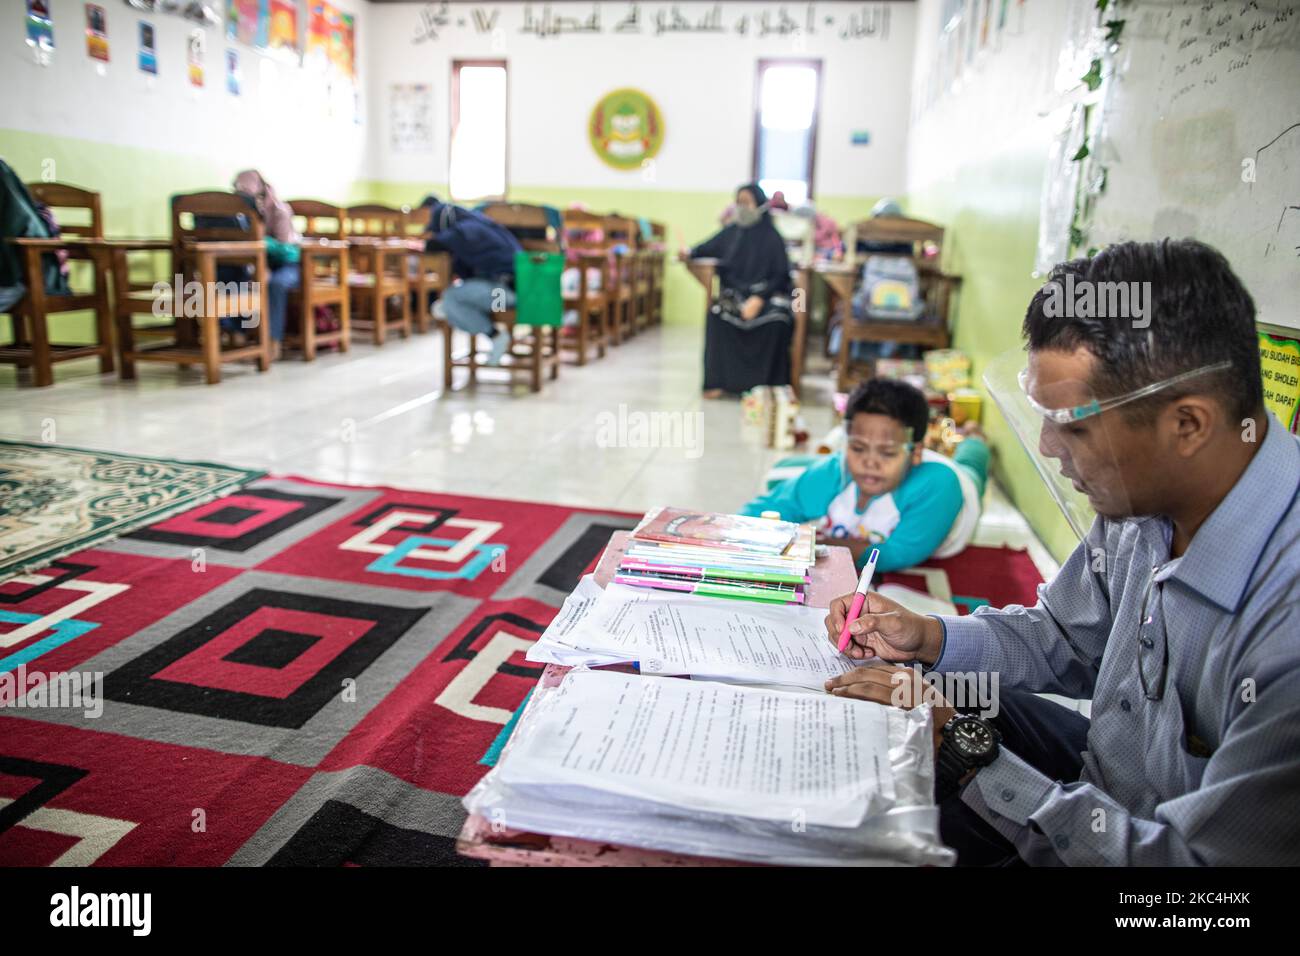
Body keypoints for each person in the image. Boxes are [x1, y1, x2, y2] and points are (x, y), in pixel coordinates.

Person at [823, 239, 1300, 865]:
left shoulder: (1283, 632)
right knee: (892, 726)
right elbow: (1064, 635)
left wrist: (970, 754)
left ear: (1187, 424)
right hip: (1107, 776)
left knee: (936, 751)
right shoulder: (1141, 500)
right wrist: (929, 640)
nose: (1049, 446)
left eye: (1073, 425)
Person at [741, 378, 987, 572]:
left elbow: (894, 555)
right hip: (838, 472)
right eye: (858, 448)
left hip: (963, 481)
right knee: (788, 472)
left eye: (887, 452)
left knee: (972, 459)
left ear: (915, 453)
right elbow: (763, 510)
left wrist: (810, 543)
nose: (870, 462)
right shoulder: (839, 468)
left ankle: (974, 436)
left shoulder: (941, 485)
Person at [681, 183, 794, 398]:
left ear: (760, 205)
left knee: (779, 322)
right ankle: (718, 382)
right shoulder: (731, 233)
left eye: (747, 202)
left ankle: (769, 388)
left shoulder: (772, 237)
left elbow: (781, 275)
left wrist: (759, 299)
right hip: (734, 296)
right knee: (716, 315)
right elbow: (702, 248)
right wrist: (688, 252)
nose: (741, 208)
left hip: (766, 297)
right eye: (738, 202)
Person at [421, 194, 522, 366]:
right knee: (447, 303)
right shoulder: (480, 225)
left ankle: (496, 336)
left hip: (503, 296)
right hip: (509, 290)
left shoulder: (465, 229)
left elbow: (434, 245)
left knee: (450, 300)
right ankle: (495, 336)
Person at [232, 169, 300, 360]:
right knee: (238, 281)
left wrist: (264, 243)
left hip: (287, 266)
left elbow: (287, 248)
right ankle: (242, 338)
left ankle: (273, 342)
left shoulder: (280, 210)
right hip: (259, 265)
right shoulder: (244, 214)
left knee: (274, 285)